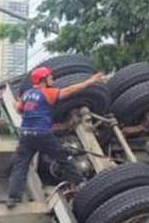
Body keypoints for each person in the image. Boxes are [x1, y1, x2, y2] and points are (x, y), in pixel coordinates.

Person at [6, 66, 105, 208]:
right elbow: (71, 90)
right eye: (50, 77)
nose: (53, 79)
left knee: (20, 165)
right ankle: (80, 182)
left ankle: (13, 198)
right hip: (42, 134)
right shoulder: (48, 93)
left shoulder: (27, 94)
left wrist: (16, 103)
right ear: (42, 80)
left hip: (26, 135)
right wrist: (90, 81)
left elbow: (19, 109)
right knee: (64, 157)